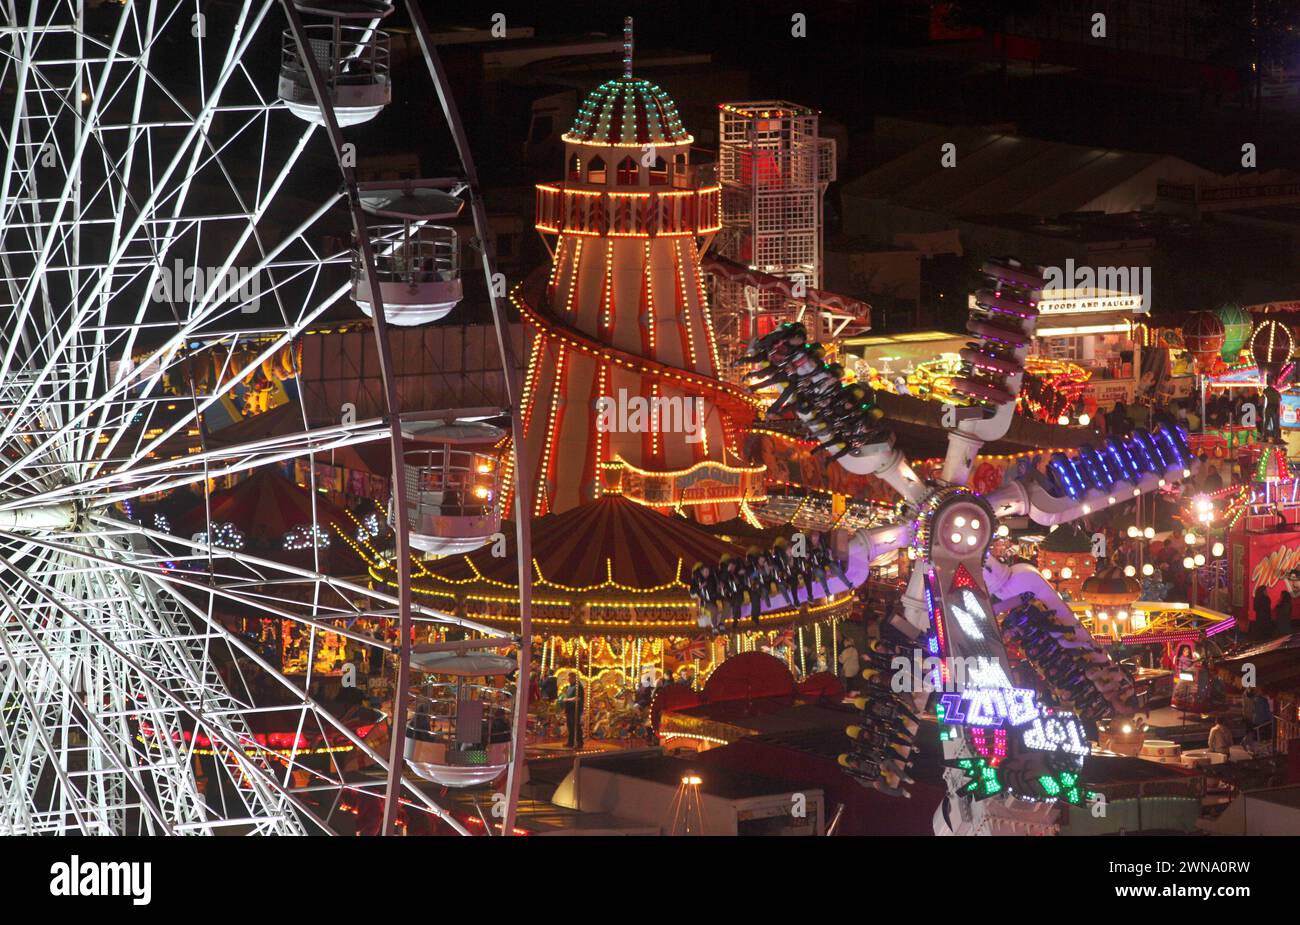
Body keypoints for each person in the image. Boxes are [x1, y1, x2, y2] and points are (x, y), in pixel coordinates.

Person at [559, 671, 585, 749]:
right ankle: (570, 742)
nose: (568, 679)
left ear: (574, 678)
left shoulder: (578, 687)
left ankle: (579, 742)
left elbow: (577, 698)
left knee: (576, 726)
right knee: (570, 726)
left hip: (575, 709)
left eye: (569, 677)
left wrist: (566, 700)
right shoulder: (570, 686)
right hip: (569, 709)